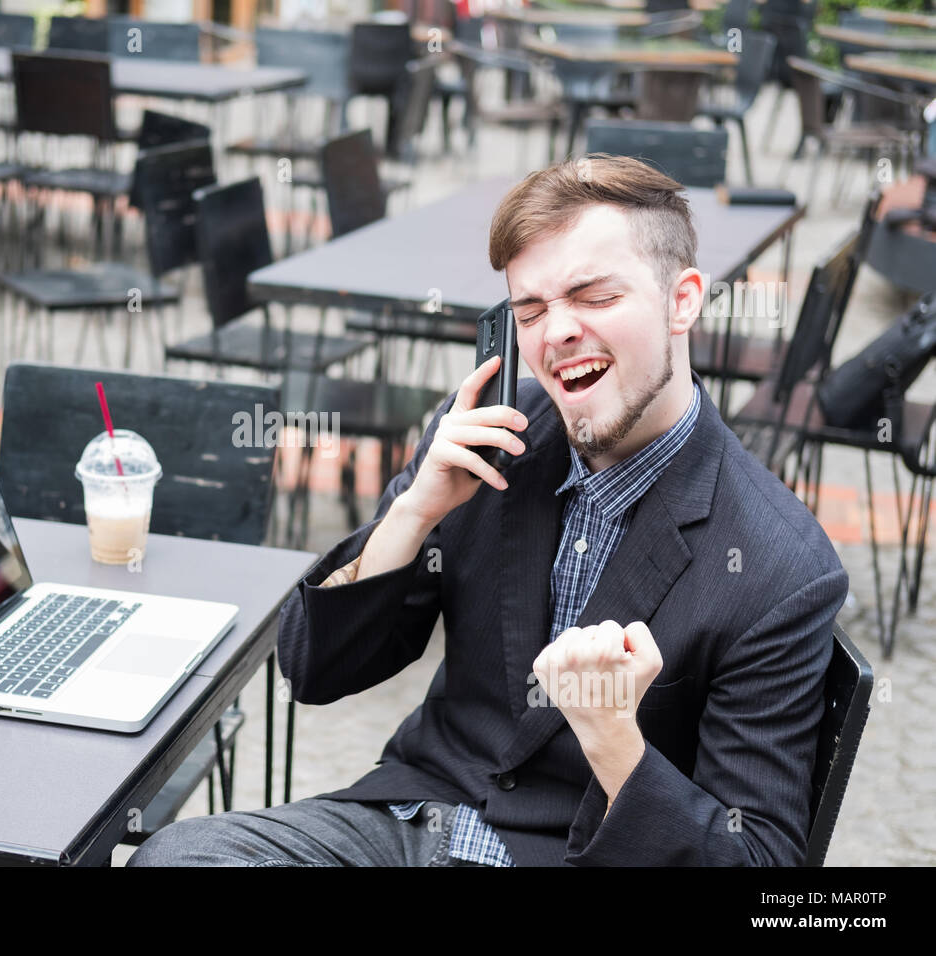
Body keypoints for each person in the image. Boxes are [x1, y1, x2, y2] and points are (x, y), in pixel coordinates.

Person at [128, 155, 848, 867]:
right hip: (411, 819)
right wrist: (413, 513)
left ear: (682, 300)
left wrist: (612, 738)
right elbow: (315, 671)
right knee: (178, 856)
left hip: (574, 851)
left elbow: (757, 856)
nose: (555, 332)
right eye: (530, 310)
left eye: (594, 297)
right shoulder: (487, 434)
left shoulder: (778, 565)